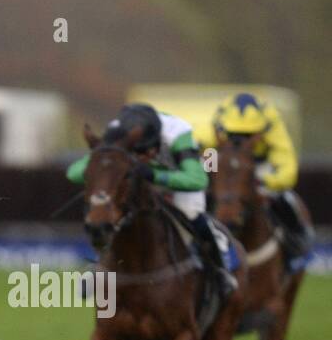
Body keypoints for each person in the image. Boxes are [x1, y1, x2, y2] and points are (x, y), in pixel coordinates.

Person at [67, 103, 236, 293]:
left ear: (158, 139)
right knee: (108, 211)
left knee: (191, 212)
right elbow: (74, 172)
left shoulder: (178, 134)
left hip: (180, 178)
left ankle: (221, 271)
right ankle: (99, 267)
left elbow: (198, 180)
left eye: (148, 151)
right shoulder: (116, 132)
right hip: (140, 181)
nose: (146, 156)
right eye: (137, 153)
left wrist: (154, 175)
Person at [196, 93, 312, 270]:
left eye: (247, 134)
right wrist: (209, 178)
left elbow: (287, 169)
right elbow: (204, 153)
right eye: (233, 134)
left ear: (260, 131)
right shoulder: (218, 124)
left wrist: (264, 182)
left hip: (259, 167)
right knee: (203, 196)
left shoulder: (271, 123)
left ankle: (297, 243)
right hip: (228, 165)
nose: (239, 139)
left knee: (285, 197)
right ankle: (197, 245)